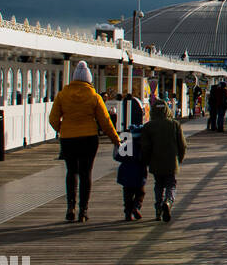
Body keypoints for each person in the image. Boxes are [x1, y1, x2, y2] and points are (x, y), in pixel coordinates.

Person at [48, 60, 121, 223]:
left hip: (68, 139)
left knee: (71, 171)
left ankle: (70, 207)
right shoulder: (94, 96)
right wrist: (116, 140)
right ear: (89, 79)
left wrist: (63, 129)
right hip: (88, 138)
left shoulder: (62, 95)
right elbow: (105, 122)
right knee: (85, 173)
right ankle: (83, 211)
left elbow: (53, 119)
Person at [139, 102, 187, 222]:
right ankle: (168, 201)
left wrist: (145, 161)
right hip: (171, 160)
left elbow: (145, 147)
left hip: (155, 160)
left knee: (158, 184)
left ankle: (158, 207)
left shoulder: (148, 126)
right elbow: (182, 145)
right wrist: (180, 158)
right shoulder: (175, 124)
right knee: (171, 184)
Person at [113, 120, 147, 220]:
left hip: (126, 175)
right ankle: (136, 207)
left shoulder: (127, 146)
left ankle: (128, 212)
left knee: (127, 195)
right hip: (139, 175)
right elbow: (146, 159)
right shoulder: (142, 147)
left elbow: (118, 157)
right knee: (140, 193)